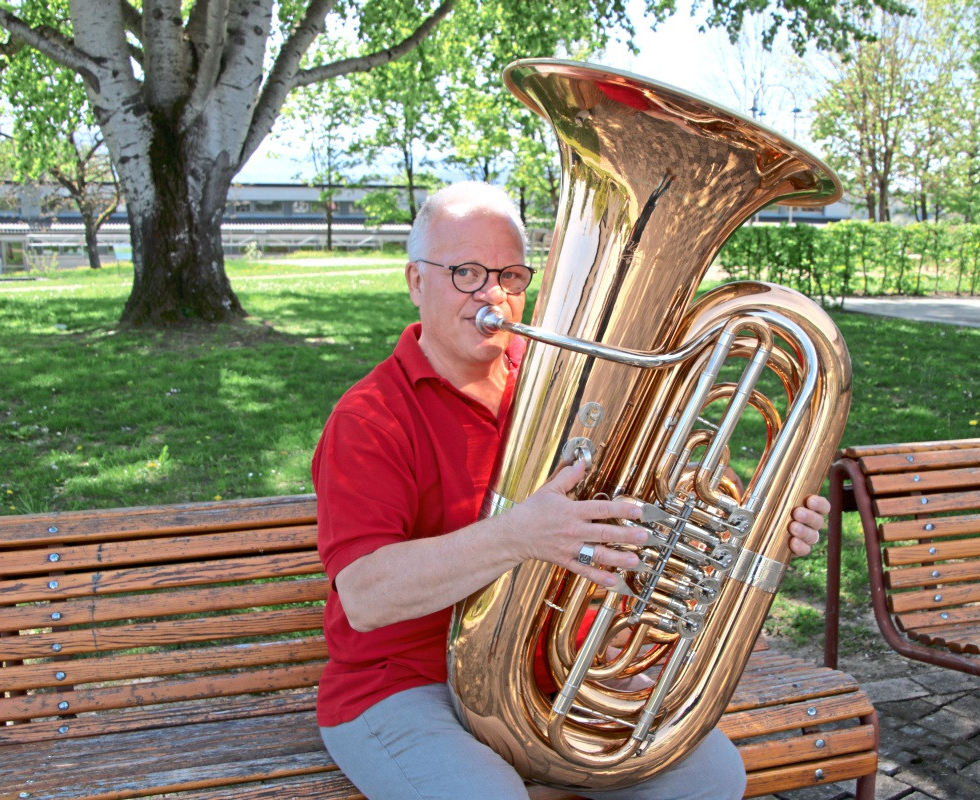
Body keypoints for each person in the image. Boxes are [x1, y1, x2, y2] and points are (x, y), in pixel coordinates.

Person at [312, 181, 831, 800]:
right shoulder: (371, 418)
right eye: (466, 273)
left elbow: (638, 511)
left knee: (710, 776)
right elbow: (366, 597)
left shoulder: (563, 392)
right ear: (416, 281)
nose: (493, 296)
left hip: (542, 675)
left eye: (510, 275)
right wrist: (516, 536)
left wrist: (755, 534)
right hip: (399, 687)